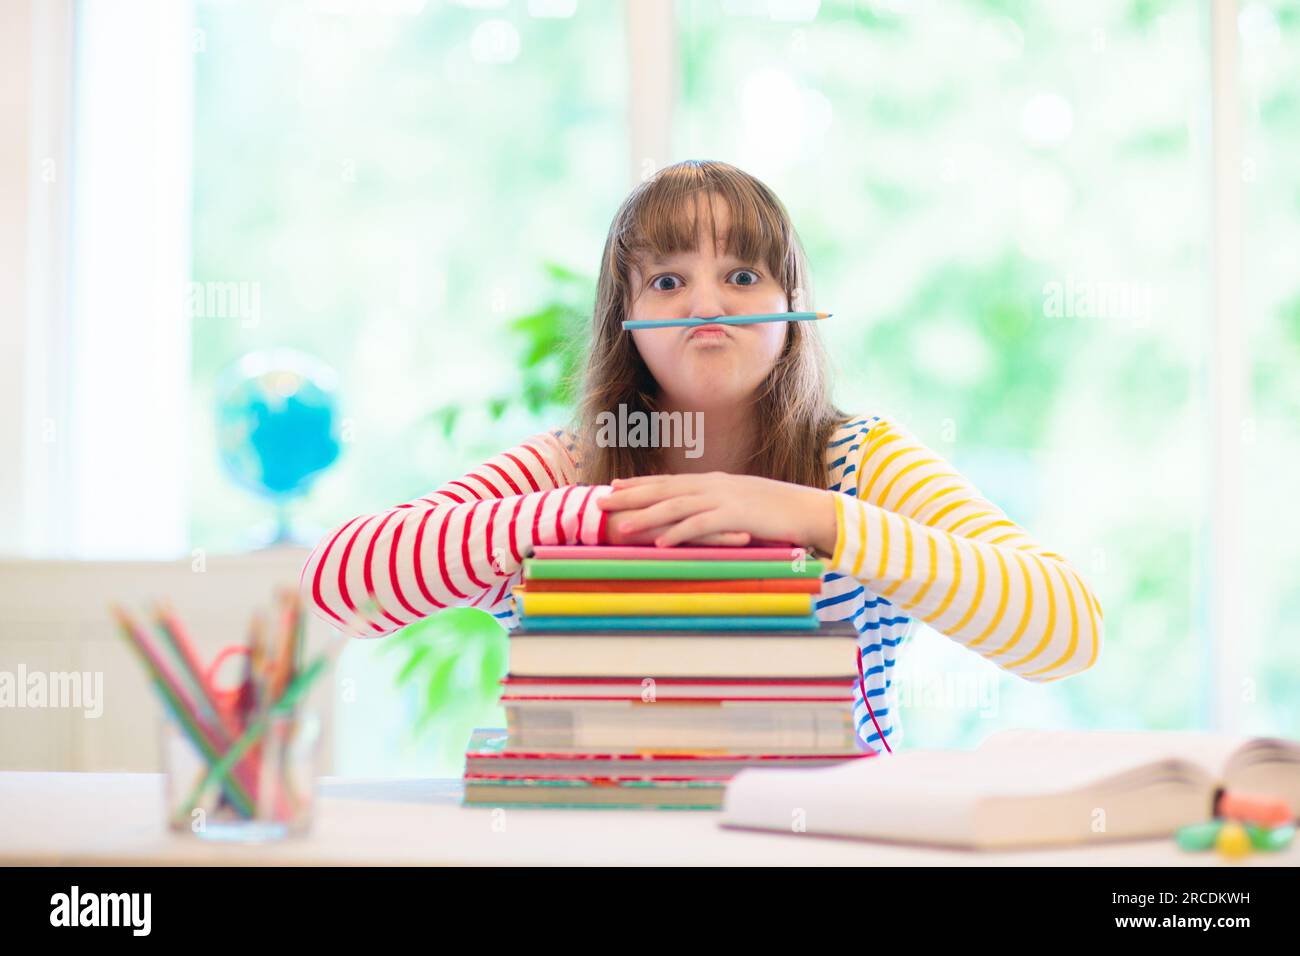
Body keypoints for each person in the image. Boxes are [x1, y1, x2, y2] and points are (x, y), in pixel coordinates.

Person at [300, 159, 1103, 754]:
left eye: (743, 275)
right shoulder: (570, 469)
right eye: (668, 281)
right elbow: (338, 591)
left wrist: (810, 515)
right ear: (625, 318)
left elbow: (1067, 633)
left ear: (793, 309)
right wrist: (579, 515)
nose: (708, 304)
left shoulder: (861, 461)